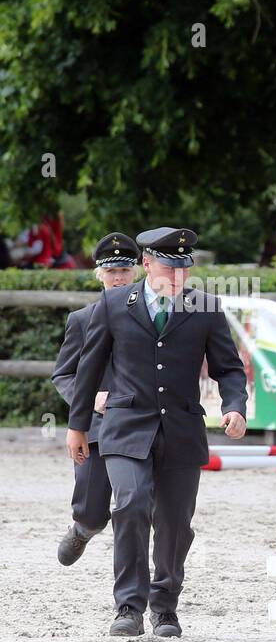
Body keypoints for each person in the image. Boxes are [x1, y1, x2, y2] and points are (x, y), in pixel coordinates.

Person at [66, 227, 249, 637]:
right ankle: (129, 606)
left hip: (181, 430)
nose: (177, 275)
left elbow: (229, 368)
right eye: (169, 266)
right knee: (129, 504)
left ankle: (165, 606)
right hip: (126, 427)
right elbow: (89, 368)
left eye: (184, 268)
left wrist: (235, 406)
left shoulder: (205, 308)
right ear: (147, 265)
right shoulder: (114, 304)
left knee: (174, 522)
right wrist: (77, 426)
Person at [51, 232, 140, 565]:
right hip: (97, 426)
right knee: (92, 511)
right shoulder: (82, 320)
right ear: (100, 275)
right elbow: (63, 374)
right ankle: (83, 528)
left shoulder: (151, 318)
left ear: (136, 273)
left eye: (125, 271)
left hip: (138, 424)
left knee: (137, 502)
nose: (118, 279)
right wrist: (89, 399)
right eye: (111, 272)